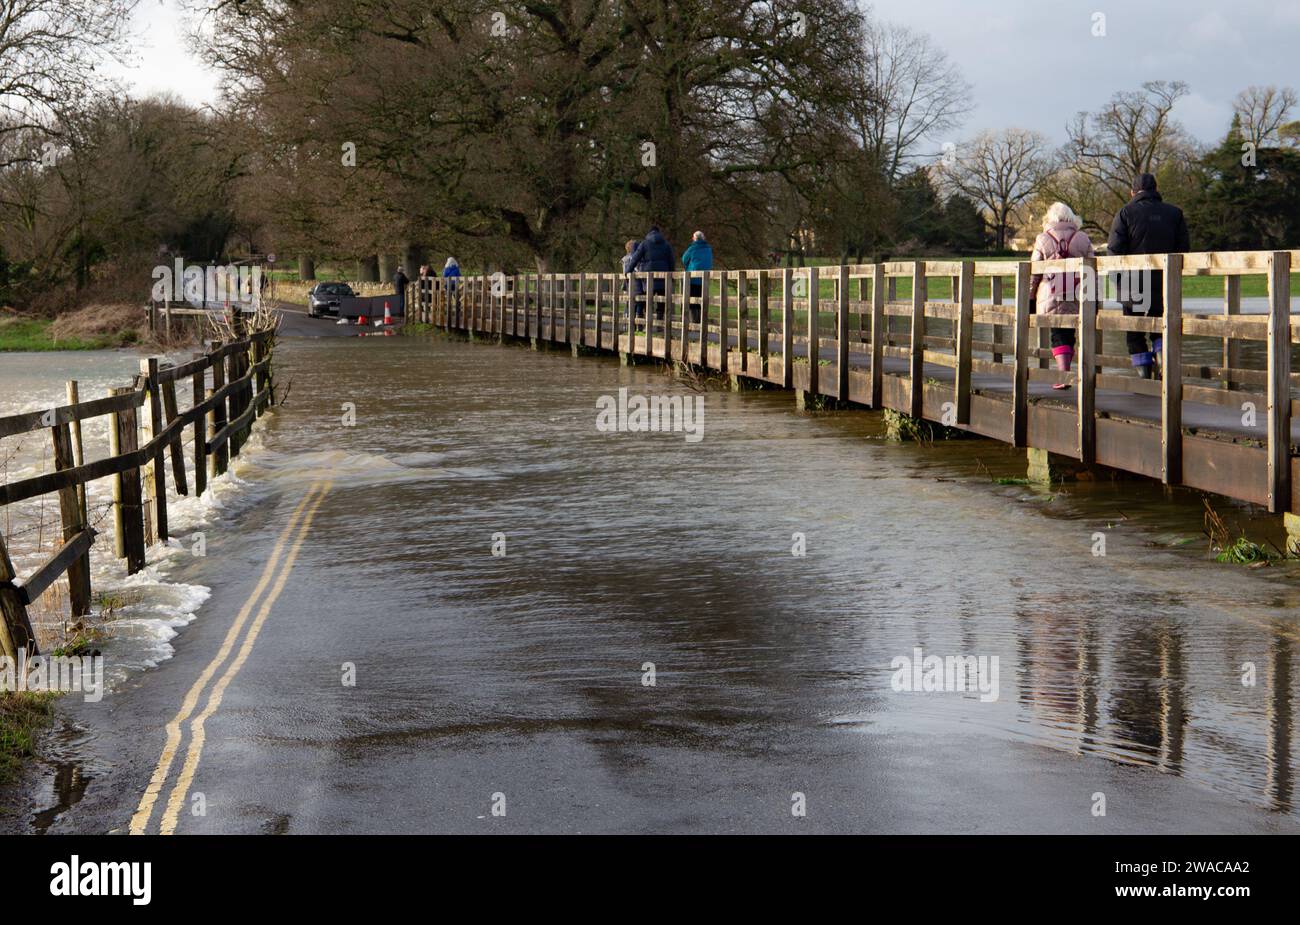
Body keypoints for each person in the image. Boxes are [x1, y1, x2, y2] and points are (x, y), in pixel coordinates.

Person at [1107, 173, 1190, 378]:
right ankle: (1162, 358)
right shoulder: (1175, 213)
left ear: (1132, 192)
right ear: (1156, 189)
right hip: (1164, 281)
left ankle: (1145, 378)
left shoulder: (1125, 213)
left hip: (1132, 281)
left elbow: (1115, 250)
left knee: (1134, 331)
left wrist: (1117, 282)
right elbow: (1183, 249)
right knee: (1160, 325)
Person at [1030, 203, 1095, 391]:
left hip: (1051, 292)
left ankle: (1063, 374)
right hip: (1077, 292)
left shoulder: (1042, 238)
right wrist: (1094, 298)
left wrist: (1030, 297)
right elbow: (1092, 271)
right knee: (1069, 332)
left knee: (1056, 332)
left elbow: (1033, 272)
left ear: (1051, 218)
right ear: (1072, 218)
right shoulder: (1082, 238)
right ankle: (1066, 373)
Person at [627, 225, 675, 322]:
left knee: (648, 301)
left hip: (648, 278)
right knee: (662, 301)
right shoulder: (666, 244)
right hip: (663, 278)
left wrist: (628, 270)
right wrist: (672, 275)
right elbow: (671, 261)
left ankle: (647, 324)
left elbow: (635, 258)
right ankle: (660, 323)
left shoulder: (644, 244)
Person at [680, 230, 713, 323]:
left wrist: (688, 266)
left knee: (691, 300)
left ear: (694, 239)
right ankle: (701, 321)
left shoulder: (693, 248)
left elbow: (684, 259)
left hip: (693, 279)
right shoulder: (708, 249)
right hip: (705, 279)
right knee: (701, 300)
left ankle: (694, 321)